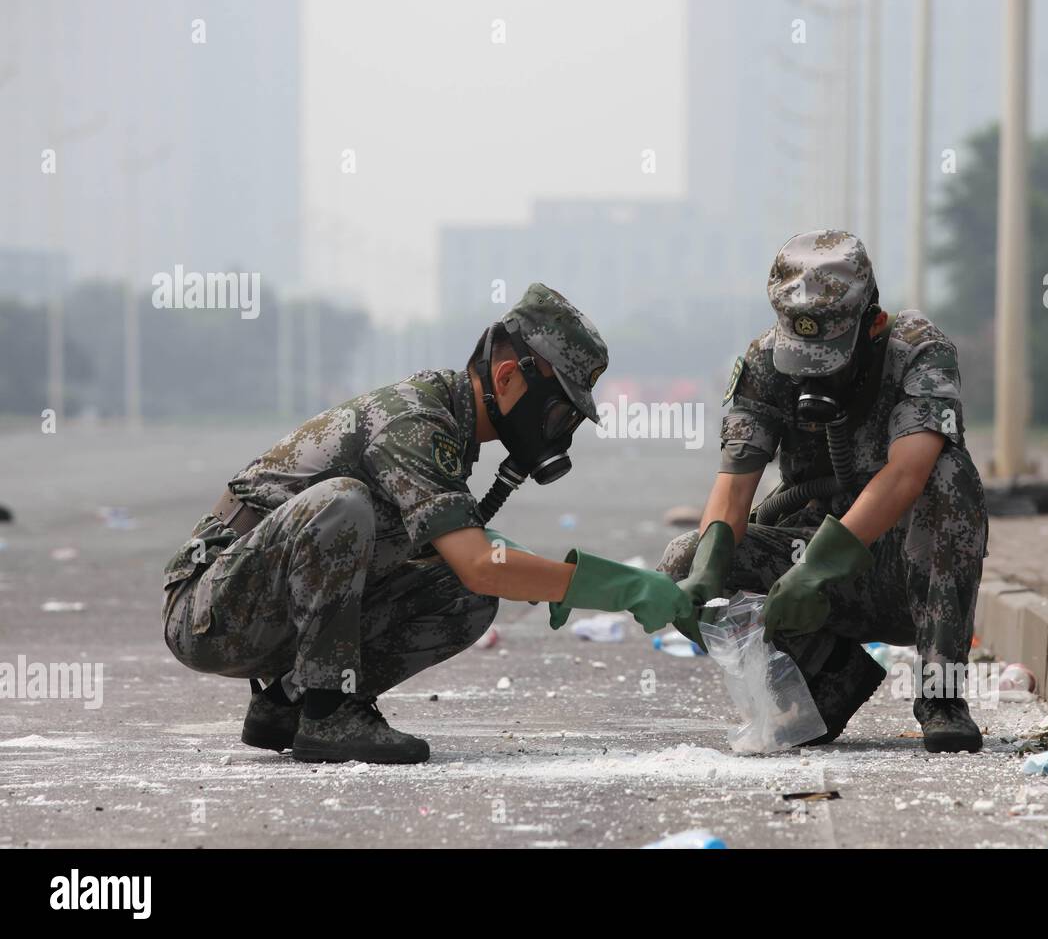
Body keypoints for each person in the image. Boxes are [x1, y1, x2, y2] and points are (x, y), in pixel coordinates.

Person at [162, 283, 692, 764]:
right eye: (558, 412)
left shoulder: (450, 429)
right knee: (344, 505)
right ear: (507, 377)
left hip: (262, 607)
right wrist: (619, 587)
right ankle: (329, 711)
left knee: (464, 596)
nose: (560, 430)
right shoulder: (417, 420)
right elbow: (483, 564)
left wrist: (531, 573)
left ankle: (286, 704)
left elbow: (472, 568)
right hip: (211, 610)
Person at [659, 231, 989, 752]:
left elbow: (908, 472)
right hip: (807, 569)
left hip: (905, 571)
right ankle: (829, 680)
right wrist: (705, 573)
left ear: (872, 322)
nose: (816, 374)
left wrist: (818, 567)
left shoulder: (916, 349)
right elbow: (735, 482)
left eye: (830, 356)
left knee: (948, 475)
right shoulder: (764, 364)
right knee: (683, 560)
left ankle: (941, 693)